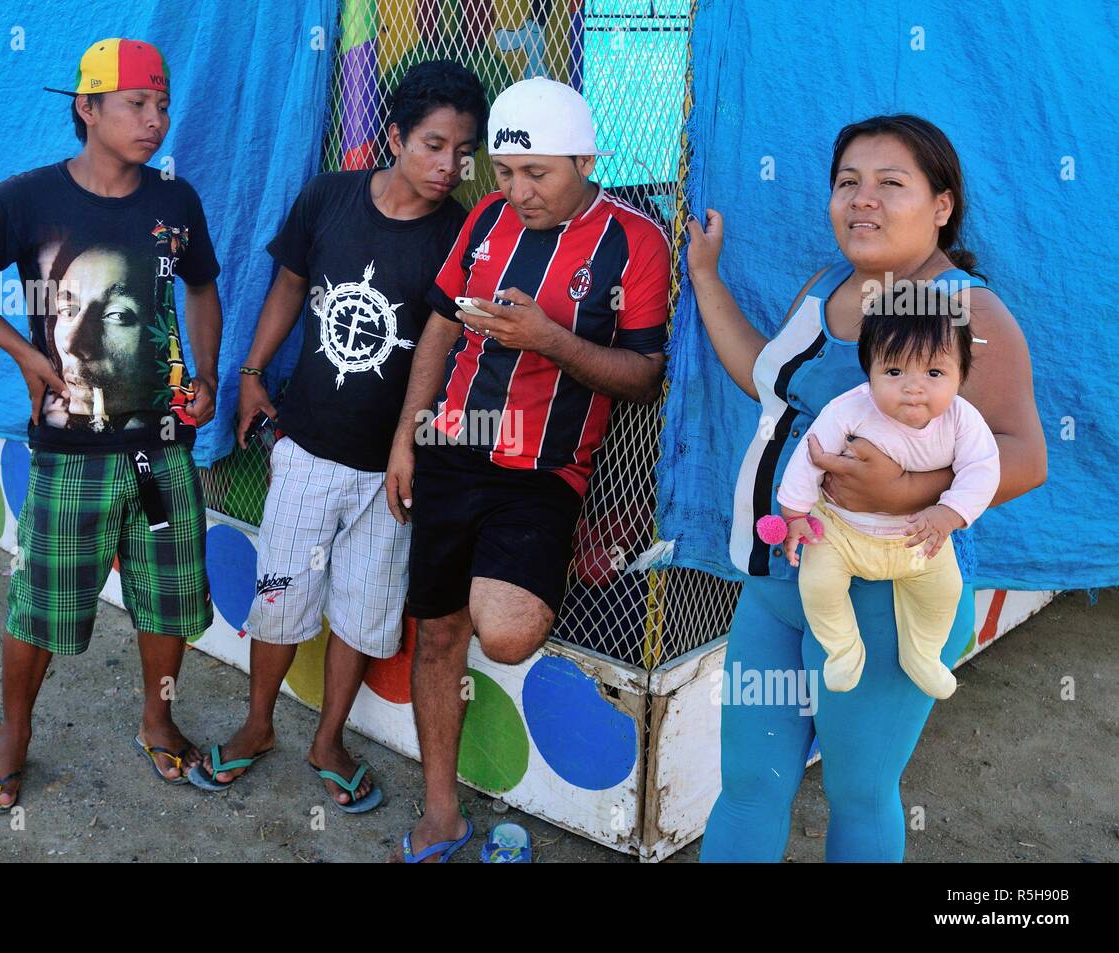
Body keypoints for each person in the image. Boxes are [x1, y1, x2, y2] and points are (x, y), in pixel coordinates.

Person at [689, 114, 1046, 861]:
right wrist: (705, 276)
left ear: (941, 205)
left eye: (891, 184)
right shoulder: (828, 283)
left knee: (857, 793)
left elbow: (1025, 455)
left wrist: (904, 491)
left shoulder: (965, 312)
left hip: (888, 597)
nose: (863, 200)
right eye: (848, 182)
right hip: (780, 582)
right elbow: (769, 384)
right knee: (750, 784)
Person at [0, 38, 224, 811]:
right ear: (86, 109)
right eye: (136, 104)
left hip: (161, 454)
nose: (155, 120)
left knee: (169, 594)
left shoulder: (174, 202)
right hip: (72, 455)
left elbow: (203, 288)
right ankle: (15, 734)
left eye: (162, 105)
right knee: (45, 603)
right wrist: (23, 352)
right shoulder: (27, 200)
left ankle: (158, 717)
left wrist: (210, 374)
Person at [186, 61, 487, 812]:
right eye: (433, 144)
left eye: (464, 150)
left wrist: (414, 444)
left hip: (394, 470)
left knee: (364, 609)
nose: (450, 165)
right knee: (280, 595)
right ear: (394, 138)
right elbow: (288, 283)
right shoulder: (329, 195)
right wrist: (253, 370)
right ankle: (256, 725)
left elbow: (447, 348)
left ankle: (328, 739)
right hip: (310, 447)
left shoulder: (465, 235)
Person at [386, 77, 670, 861]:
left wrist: (547, 337)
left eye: (537, 174)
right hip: (451, 445)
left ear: (584, 159)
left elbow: (644, 376)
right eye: (506, 173)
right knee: (437, 632)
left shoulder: (634, 241)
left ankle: (560, 560)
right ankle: (441, 812)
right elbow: (440, 327)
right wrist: (408, 436)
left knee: (505, 633)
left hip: (544, 466)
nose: (517, 191)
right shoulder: (485, 219)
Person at [774, 297, 1000, 699]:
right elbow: (810, 459)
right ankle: (843, 648)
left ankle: (923, 653)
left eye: (934, 372)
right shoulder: (848, 410)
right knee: (818, 584)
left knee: (944, 591)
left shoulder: (963, 421)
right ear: (870, 372)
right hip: (842, 532)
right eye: (894, 371)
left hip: (918, 537)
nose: (913, 388)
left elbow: (983, 469)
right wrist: (794, 515)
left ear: (961, 374)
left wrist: (949, 514)